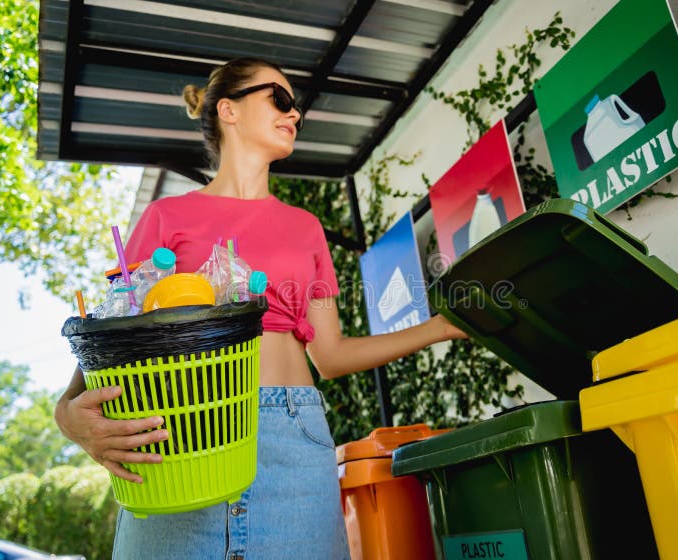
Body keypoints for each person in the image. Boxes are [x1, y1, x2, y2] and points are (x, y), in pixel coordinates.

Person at [54, 57, 467, 560]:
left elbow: (331, 354)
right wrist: (67, 416)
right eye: (281, 99)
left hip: (294, 439)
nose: (295, 114)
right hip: (181, 440)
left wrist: (441, 327)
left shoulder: (306, 228)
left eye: (296, 107)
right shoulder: (167, 217)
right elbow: (111, 342)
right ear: (228, 109)